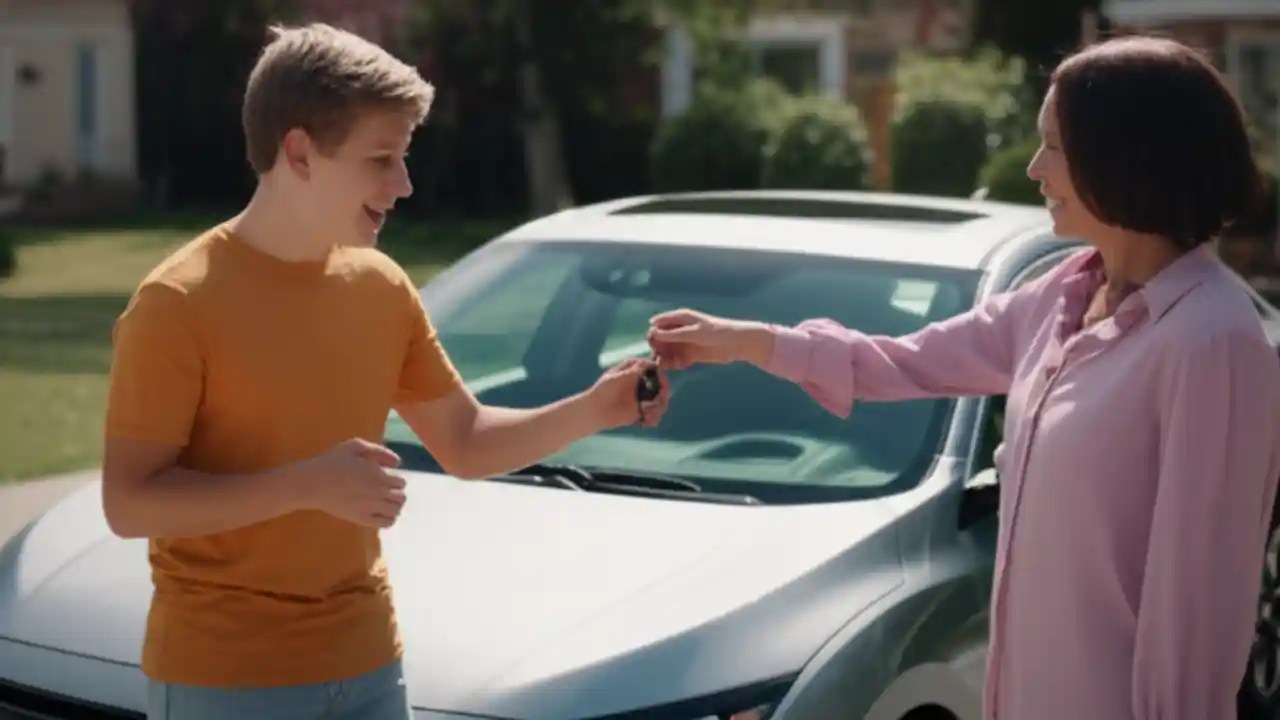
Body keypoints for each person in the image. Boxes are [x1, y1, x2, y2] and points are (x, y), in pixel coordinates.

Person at [648, 35, 1280, 720]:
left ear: (1127, 157)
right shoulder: (1059, 296)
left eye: (1055, 147)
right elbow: (902, 361)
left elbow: (1196, 607)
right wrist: (749, 342)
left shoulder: (1212, 341)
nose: (1035, 169)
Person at [102, 22, 668, 720]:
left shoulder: (381, 287)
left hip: (369, 667)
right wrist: (306, 485)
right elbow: (129, 503)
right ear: (300, 153)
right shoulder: (176, 304)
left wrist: (594, 409)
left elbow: (464, 440)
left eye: (402, 158)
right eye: (382, 159)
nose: (402, 184)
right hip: (225, 680)